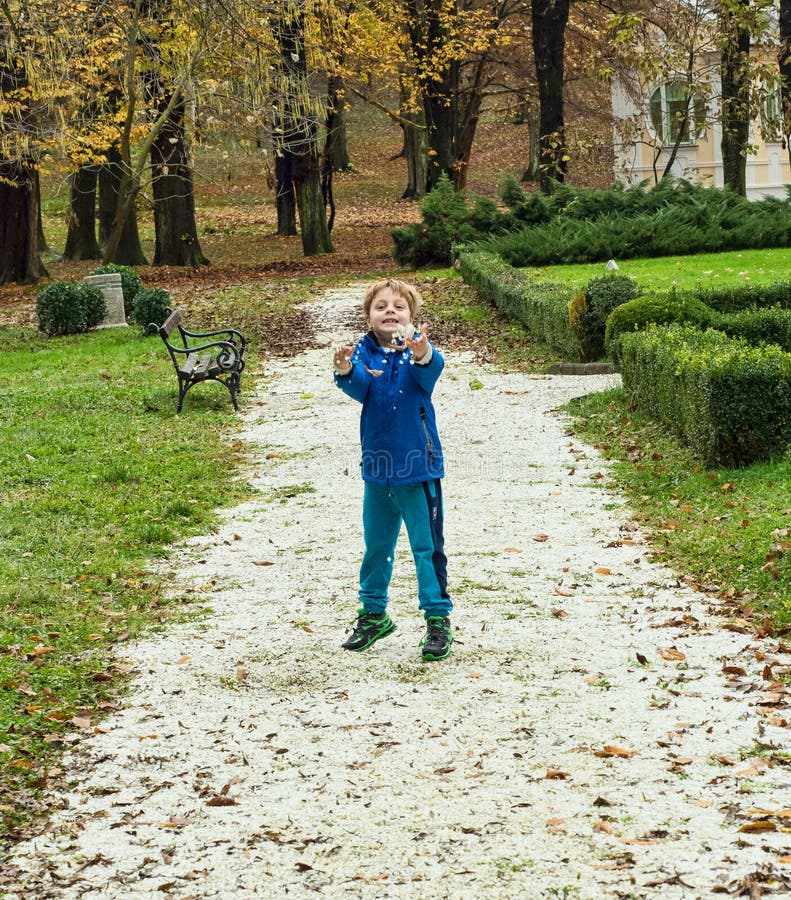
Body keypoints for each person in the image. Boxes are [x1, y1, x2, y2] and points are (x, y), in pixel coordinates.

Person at [332, 279, 453, 661]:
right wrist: (346, 367)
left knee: (426, 548)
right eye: (381, 306)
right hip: (377, 471)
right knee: (377, 546)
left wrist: (422, 351)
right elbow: (360, 388)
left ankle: (437, 619)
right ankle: (373, 614)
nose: (390, 312)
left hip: (418, 471)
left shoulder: (417, 354)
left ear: (412, 316)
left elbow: (430, 371)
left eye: (398, 307)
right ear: (368, 316)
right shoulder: (365, 353)